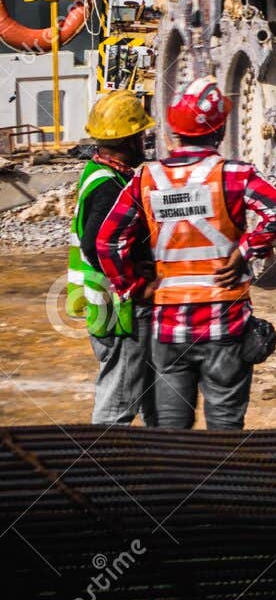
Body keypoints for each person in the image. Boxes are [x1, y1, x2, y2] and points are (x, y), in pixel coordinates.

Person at [98, 76, 276, 431]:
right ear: (219, 131)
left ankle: (180, 486)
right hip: (225, 323)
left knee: (172, 431)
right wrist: (246, 251)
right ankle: (224, 484)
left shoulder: (146, 179)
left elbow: (107, 242)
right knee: (224, 427)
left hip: (170, 326)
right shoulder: (235, 175)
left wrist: (133, 287)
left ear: (173, 131)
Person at [68, 89, 157, 426]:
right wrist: (134, 283)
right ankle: (101, 466)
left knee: (139, 384)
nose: (144, 142)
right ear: (130, 140)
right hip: (118, 308)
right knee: (118, 401)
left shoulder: (99, 172)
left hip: (104, 302)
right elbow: (96, 245)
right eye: (141, 136)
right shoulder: (109, 185)